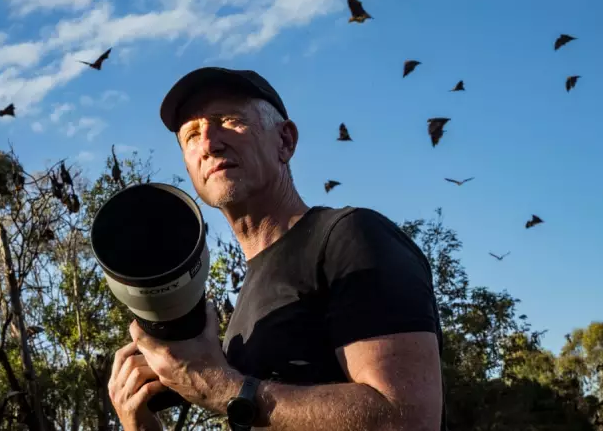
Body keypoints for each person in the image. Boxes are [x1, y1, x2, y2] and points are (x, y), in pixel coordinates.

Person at [108, 67, 447, 431]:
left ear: (285, 141)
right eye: (191, 135)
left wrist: (221, 387)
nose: (208, 143)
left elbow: (408, 418)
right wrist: (139, 424)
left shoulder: (350, 237)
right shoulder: (245, 308)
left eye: (229, 121)